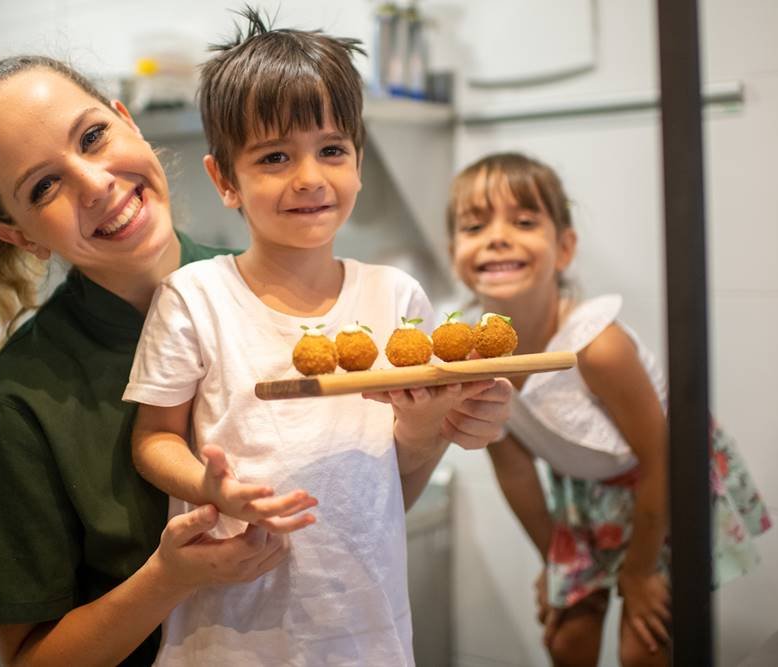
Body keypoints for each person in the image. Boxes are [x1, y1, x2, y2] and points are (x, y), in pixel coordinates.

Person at [0, 31, 311, 667]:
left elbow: (357, 504)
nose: (95, 184)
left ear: (127, 122)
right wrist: (169, 577)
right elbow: (30, 660)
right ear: (21, 236)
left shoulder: (281, 293)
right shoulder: (12, 408)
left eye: (92, 137)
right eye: (42, 188)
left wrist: (422, 436)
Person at [122, 9, 512, 665]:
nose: (309, 176)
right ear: (225, 181)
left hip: (367, 636)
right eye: (275, 157)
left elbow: (396, 480)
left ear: (358, 163)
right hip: (230, 637)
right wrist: (209, 486)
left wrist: (441, 425)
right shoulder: (196, 296)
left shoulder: (396, 299)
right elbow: (153, 437)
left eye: (332, 149)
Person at [446, 152, 771, 667]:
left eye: (524, 221)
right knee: (567, 643)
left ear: (565, 248)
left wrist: (640, 572)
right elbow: (513, 469)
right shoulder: (473, 358)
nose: (497, 236)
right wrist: (556, 561)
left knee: (645, 647)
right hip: (586, 492)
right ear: (454, 251)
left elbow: (662, 454)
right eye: (474, 225)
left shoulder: (597, 346)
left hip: (665, 479)